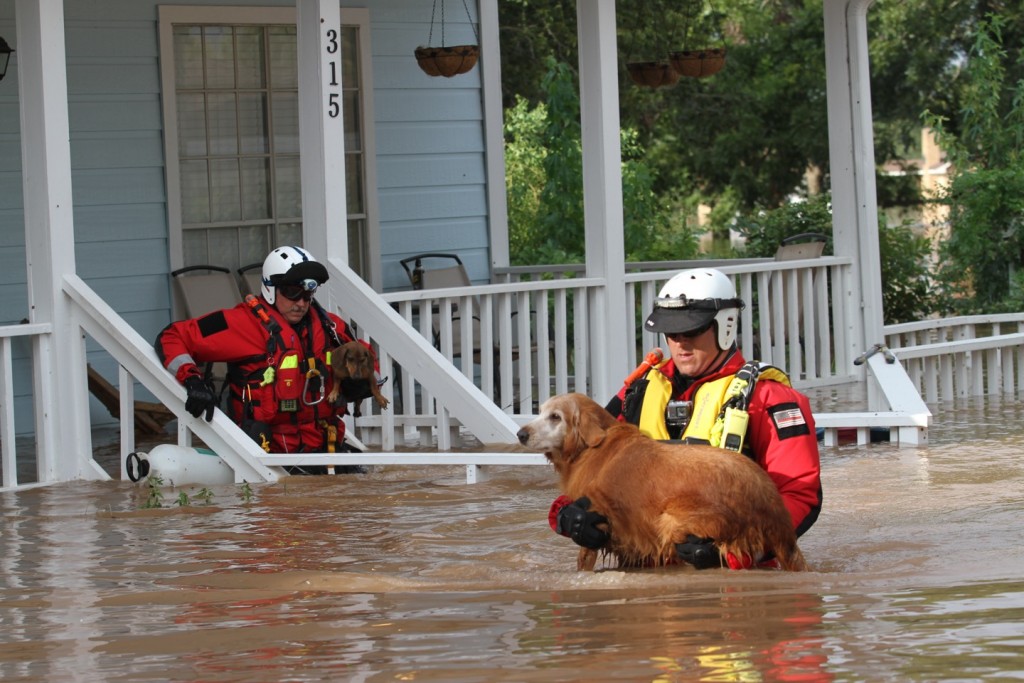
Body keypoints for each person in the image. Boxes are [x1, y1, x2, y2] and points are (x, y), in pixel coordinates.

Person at [550, 267, 822, 568]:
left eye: (691, 330)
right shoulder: (638, 392)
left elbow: (800, 496)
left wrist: (736, 556)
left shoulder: (771, 399)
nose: (680, 342)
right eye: (671, 332)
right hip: (645, 571)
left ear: (726, 326)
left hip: (735, 576)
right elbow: (587, 471)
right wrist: (567, 516)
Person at [155, 246, 374, 473]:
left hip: (328, 452)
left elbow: (371, 363)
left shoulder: (332, 327)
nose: (301, 302)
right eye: (292, 292)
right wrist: (193, 380)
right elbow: (172, 337)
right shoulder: (239, 323)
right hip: (267, 458)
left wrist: (362, 381)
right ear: (270, 287)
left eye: (308, 293)